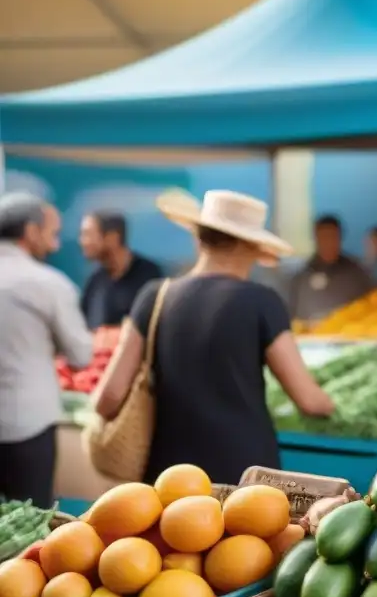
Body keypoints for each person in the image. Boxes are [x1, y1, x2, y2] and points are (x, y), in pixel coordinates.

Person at [93, 189, 335, 485]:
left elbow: (109, 397)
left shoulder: (154, 296)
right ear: (253, 247)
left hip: (169, 477)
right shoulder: (261, 301)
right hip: (244, 476)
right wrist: (334, 407)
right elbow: (309, 401)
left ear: (199, 238)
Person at [0, 193, 94, 506]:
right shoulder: (48, 284)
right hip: (25, 424)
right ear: (30, 231)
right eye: (51, 234)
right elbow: (81, 356)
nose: (54, 245)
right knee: (29, 524)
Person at [80, 211, 163, 329]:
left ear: (113, 237)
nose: (83, 242)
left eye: (88, 235)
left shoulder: (149, 277)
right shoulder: (94, 282)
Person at [288, 215, 374, 321]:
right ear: (316, 238)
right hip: (310, 334)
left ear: (340, 238)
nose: (328, 242)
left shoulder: (357, 272)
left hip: (351, 332)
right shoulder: (301, 276)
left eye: (332, 237)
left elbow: (374, 304)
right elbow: (291, 313)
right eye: (323, 237)